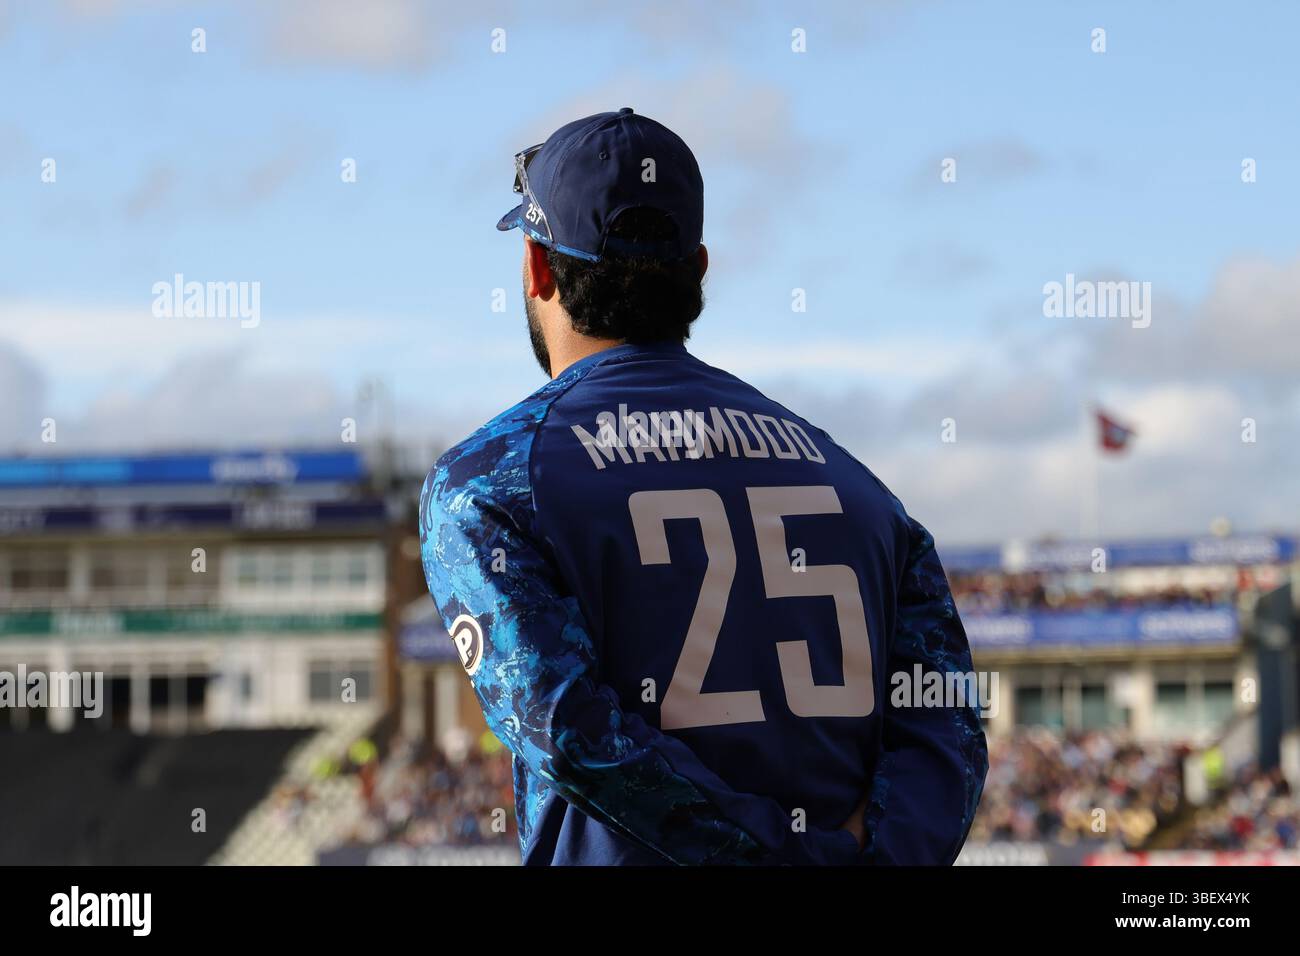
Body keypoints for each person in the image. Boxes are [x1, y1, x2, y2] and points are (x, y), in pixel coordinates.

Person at [419, 108, 987, 865]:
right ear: (699, 270)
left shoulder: (485, 485)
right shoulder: (860, 487)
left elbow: (568, 732)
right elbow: (947, 714)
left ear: (537, 268)